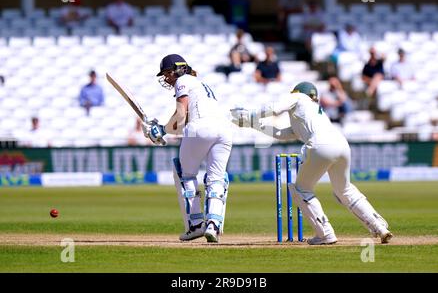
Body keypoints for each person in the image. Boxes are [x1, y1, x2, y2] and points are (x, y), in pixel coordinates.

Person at [230, 81, 393, 245]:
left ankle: (325, 233)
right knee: (345, 189)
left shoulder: (299, 97)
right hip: (342, 144)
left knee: (301, 189)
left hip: (320, 145)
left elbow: (274, 109)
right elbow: (280, 133)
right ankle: (379, 227)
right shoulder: (312, 113)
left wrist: (249, 115)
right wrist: (251, 123)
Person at [141, 54, 233, 243]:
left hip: (200, 127)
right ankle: (213, 225)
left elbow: (181, 116)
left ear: (179, 68)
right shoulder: (200, 84)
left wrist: (160, 131)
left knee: (186, 173)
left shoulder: (182, 81)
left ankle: (196, 225)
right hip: (224, 130)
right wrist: (163, 130)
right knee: (216, 178)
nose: (167, 78)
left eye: (168, 72)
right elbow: (184, 123)